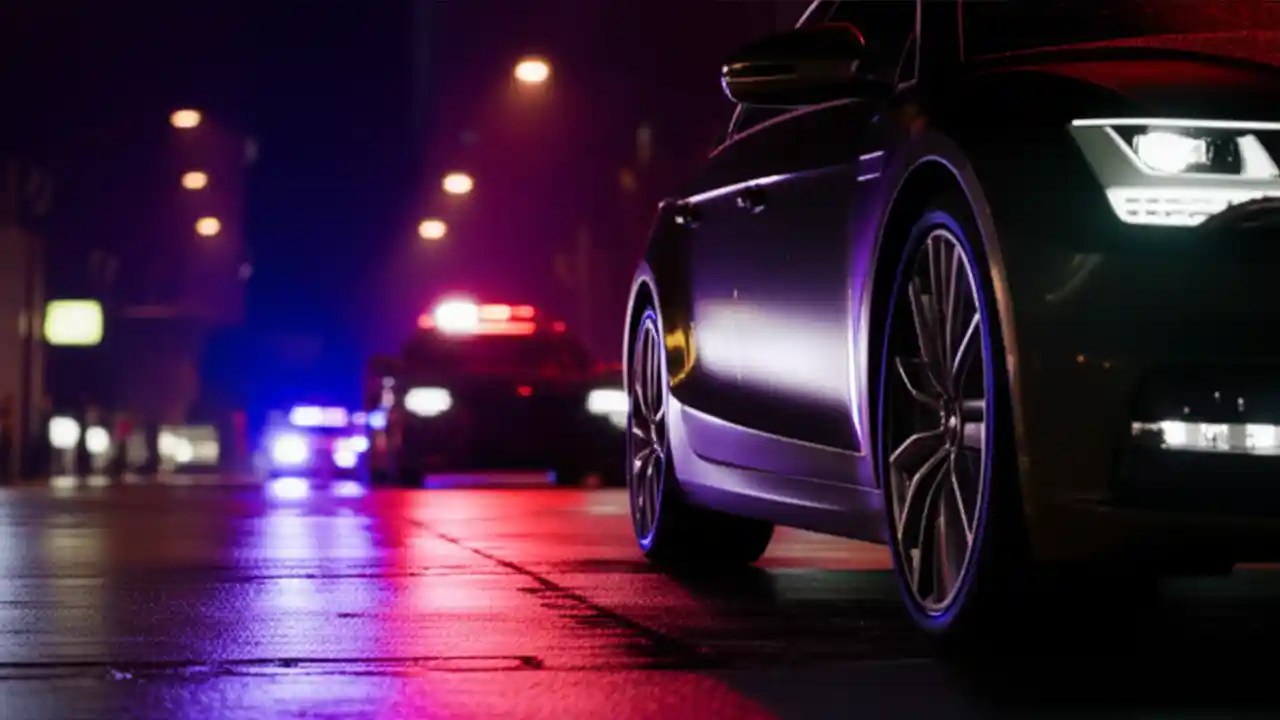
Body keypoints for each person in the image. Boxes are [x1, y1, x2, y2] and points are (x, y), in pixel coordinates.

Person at [0, 395, 14, 484]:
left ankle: (4, 478)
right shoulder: (5, 418)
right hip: (4, 439)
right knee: (3, 461)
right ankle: (4, 478)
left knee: (4, 461)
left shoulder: (7, 418)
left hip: (5, 440)